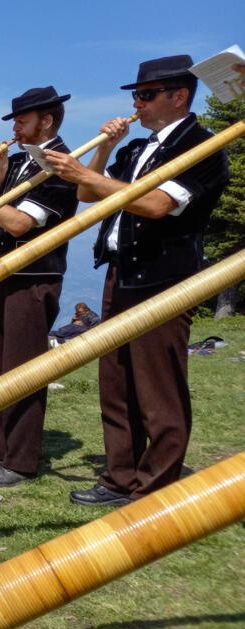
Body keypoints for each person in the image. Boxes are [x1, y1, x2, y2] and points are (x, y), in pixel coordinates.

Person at [44, 55, 230, 506]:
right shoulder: (134, 149)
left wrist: (85, 173)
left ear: (178, 95)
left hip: (165, 276)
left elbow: (156, 205)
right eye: (135, 95)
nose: (136, 103)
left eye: (146, 95)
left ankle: (157, 485)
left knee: (157, 384)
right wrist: (103, 151)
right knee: (117, 379)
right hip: (121, 270)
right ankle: (119, 476)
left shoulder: (202, 144)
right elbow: (89, 194)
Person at [0, 85, 79, 487]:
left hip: (32, 278)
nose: (16, 128)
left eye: (22, 120)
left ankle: (20, 460)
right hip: (2, 274)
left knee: (21, 370)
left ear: (47, 120)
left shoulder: (59, 164)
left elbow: (19, 223)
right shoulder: (24, 163)